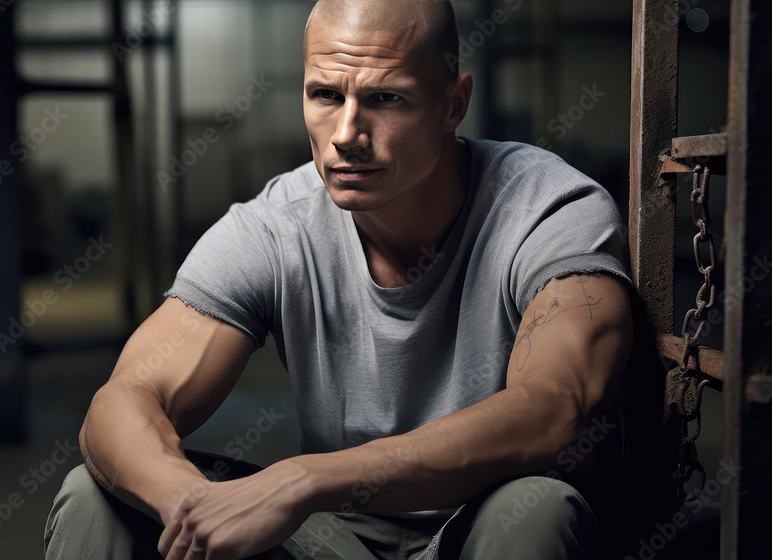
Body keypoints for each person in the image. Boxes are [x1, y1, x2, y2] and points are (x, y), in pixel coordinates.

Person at [44, 1, 633, 559]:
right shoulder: (276, 228)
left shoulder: (547, 209)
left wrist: (308, 479)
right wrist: (191, 508)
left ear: (454, 104)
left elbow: (559, 409)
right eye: (325, 94)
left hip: (479, 524)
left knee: (538, 507)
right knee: (93, 495)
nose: (346, 133)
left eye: (385, 98)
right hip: (334, 535)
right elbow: (124, 401)